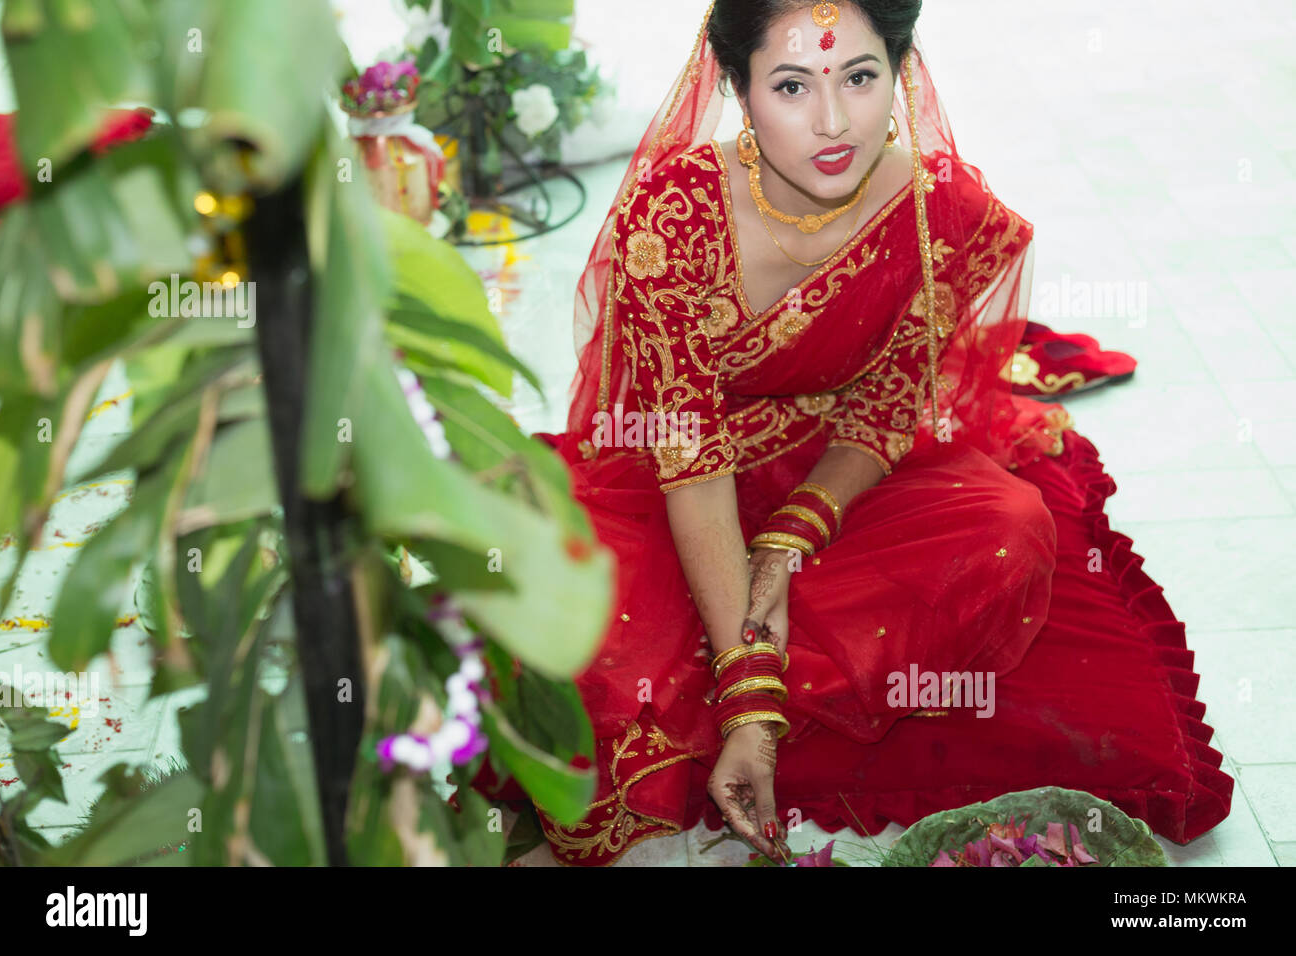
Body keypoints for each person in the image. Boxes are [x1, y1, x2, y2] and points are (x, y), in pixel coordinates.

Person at [469, 0, 1232, 866]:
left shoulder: (937, 212)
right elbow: (690, 464)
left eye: (860, 78)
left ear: (899, 72)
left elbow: (886, 407)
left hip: (841, 483)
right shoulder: (675, 217)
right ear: (739, 89)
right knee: (577, 629)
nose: (833, 123)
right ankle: (760, 713)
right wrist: (750, 693)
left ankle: (739, 702)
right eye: (792, 86)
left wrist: (794, 537)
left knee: (1007, 536)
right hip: (677, 482)